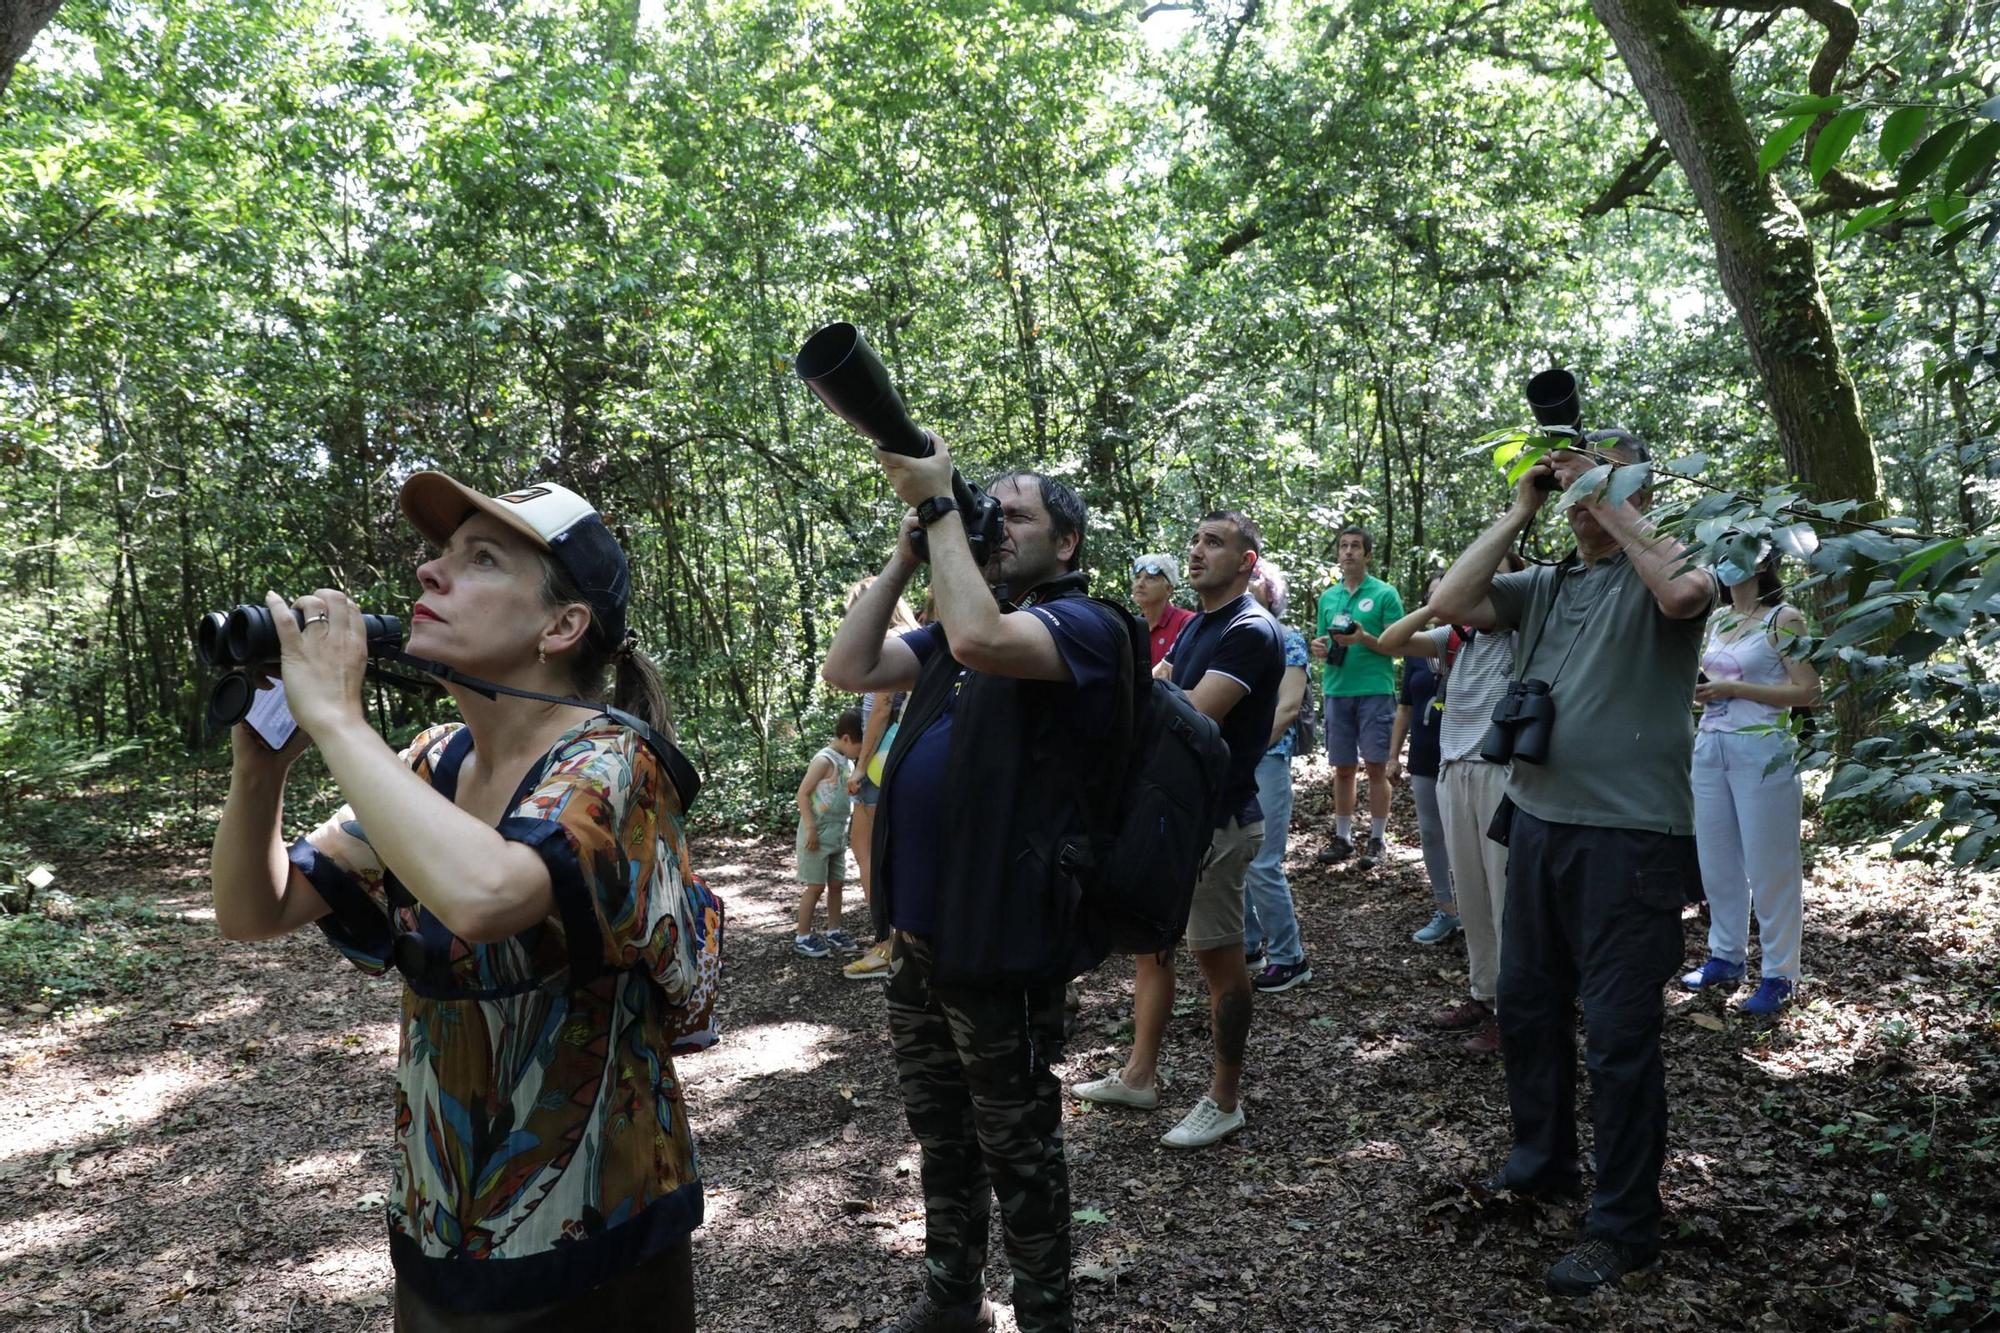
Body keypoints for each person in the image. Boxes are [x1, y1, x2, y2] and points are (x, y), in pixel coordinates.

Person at [209, 475, 702, 1327]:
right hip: (441, 1222)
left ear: (561, 625)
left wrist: (337, 717)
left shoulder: (617, 762)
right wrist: (261, 769)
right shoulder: (433, 762)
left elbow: (486, 894)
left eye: (480, 559)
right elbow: (255, 910)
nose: (431, 573)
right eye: (440, 553)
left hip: (592, 1236)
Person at [822, 442, 1125, 1333]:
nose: (995, 522)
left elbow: (981, 637)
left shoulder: (1087, 624)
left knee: (1018, 1144)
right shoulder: (953, 635)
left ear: (1066, 542)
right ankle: (953, 1298)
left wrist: (946, 513)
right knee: (941, 1135)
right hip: (918, 939)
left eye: (1016, 513)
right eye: (986, 507)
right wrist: (911, 550)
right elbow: (849, 666)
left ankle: (1045, 1317)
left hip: (1002, 941)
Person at [1428, 430, 1716, 1296]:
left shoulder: (1673, 559)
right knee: (1527, 1005)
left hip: (1632, 838)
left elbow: (1682, 596)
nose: (1584, 495)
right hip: (1541, 823)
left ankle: (1624, 1224)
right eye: (1577, 481)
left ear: (1637, 488)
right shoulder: (1549, 583)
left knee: (1621, 1036)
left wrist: (1609, 497)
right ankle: (1541, 1156)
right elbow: (1449, 599)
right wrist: (1523, 505)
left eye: (1606, 479)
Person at [1073, 512, 1284, 1149]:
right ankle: (1139, 1075)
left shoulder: (1250, 630)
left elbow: (1193, 715)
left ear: (1248, 562)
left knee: (1219, 963)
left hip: (1219, 821)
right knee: (1152, 947)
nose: (1196, 552)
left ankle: (1224, 1099)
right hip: (1174, 817)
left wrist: (1141, 684)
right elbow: (1166, 696)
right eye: (1195, 540)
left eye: (1214, 543)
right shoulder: (1200, 628)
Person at [1378, 552, 1527, 1058]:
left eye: (1496, 577)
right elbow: (1390, 642)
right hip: (1452, 768)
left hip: (1499, 772)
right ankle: (1484, 994)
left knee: (1506, 893)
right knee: (1472, 893)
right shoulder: (1456, 639)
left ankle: (1517, 1011)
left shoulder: (1523, 634)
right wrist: (1442, 608)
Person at [1682, 545, 1819, 1015]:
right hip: (1710, 746)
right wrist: (1704, 695)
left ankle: (1781, 974)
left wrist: (1735, 689)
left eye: (1736, 551)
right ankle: (1726, 956)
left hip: (1763, 750)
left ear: (1761, 562)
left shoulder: (1784, 617)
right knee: (1716, 858)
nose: (1725, 560)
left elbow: (1808, 691)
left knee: (1770, 863)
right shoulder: (1718, 620)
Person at [843, 577, 923, 981]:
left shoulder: (892, 639)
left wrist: (860, 766)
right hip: (896, 757)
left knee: (875, 855)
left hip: (881, 763)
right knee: (874, 851)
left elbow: (881, 708)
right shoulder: (915, 635)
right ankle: (896, 940)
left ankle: (892, 943)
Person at [1312, 527, 1405, 869]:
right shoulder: (1328, 597)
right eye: (1343, 546)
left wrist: (1365, 639)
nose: (1348, 552)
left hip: (1375, 690)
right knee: (1343, 768)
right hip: (1337, 690)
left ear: (1368, 555)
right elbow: (1324, 640)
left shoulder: (1384, 594)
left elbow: (1397, 644)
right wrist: (1319, 646)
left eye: (1355, 547)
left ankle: (1377, 840)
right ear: (1338, 554)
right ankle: (1343, 837)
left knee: (1376, 766)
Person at [1243, 558, 1313, 993]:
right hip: (1235, 760)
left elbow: (1287, 708)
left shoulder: (1288, 639)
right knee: (1238, 856)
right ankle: (1249, 945)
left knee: (1264, 860)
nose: (1249, 584)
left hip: (1267, 758)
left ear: (1272, 591)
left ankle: (1290, 957)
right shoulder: (1227, 637)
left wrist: (1246, 748)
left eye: (1257, 579)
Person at [1384, 579, 1453, 947]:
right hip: (1425, 752)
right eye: (1434, 594)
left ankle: (1481, 909)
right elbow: (1406, 706)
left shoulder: (1475, 640)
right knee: (1430, 831)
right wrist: (1394, 755)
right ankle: (1446, 908)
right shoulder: (1415, 651)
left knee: (1467, 833)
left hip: (1469, 752)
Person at [795, 708, 866, 958]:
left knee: (837, 884)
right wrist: (811, 827)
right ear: (846, 738)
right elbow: (802, 793)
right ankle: (802, 936)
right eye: (860, 746)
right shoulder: (824, 760)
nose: (861, 753)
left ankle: (833, 930)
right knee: (815, 887)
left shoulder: (846, 761)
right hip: (817, 834)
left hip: (837, 833)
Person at [1131, 552, 1196, 667]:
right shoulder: (1131, 628)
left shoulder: (1187, 623)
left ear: (1168, 589)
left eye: (1150, 578)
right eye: (1137, 577)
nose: (1140, 584)